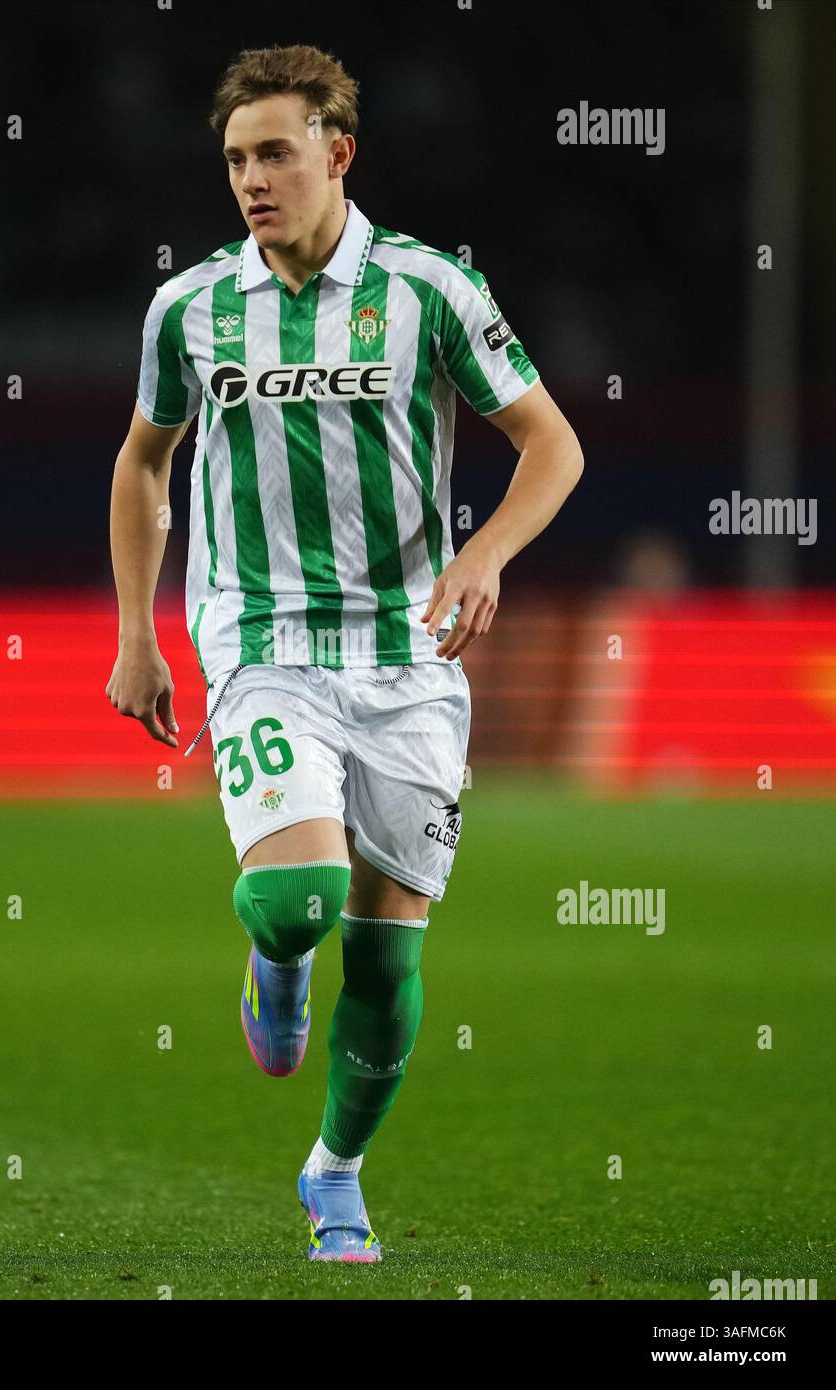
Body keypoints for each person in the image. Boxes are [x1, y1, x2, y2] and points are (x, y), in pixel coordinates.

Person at [106, 43, 583, 1262]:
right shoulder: (191, 307)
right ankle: (274, 964)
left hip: (410, 654)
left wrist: (484, 560)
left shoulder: (430, 289)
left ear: (337, 152)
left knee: (383, 949)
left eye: (274, 152)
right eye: (232, 159)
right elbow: (142, 462)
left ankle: (335, 1172)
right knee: (297, 901)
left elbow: (551, 446)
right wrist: (136, 632)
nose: (252, 179)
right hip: (258, 637)